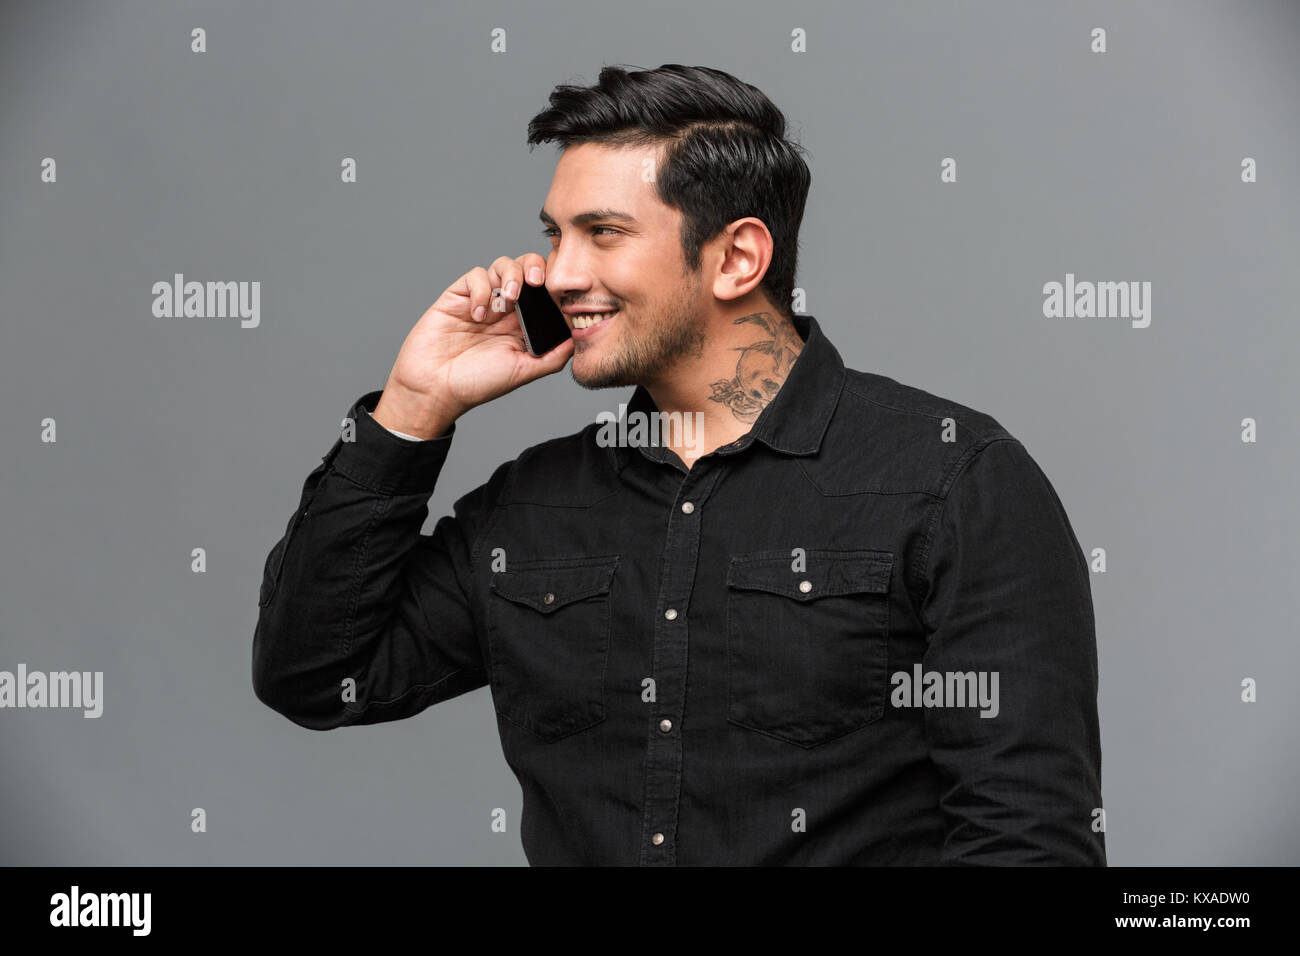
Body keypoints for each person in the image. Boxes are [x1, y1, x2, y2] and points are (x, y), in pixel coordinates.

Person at [252, 63, 1106, 866]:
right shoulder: (530, 507)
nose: (557, 276)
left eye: (603, 234)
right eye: (555, 235)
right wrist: (414, 404)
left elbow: (1025, 838)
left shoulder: (955, 481)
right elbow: (319, 677)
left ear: (737, 257)